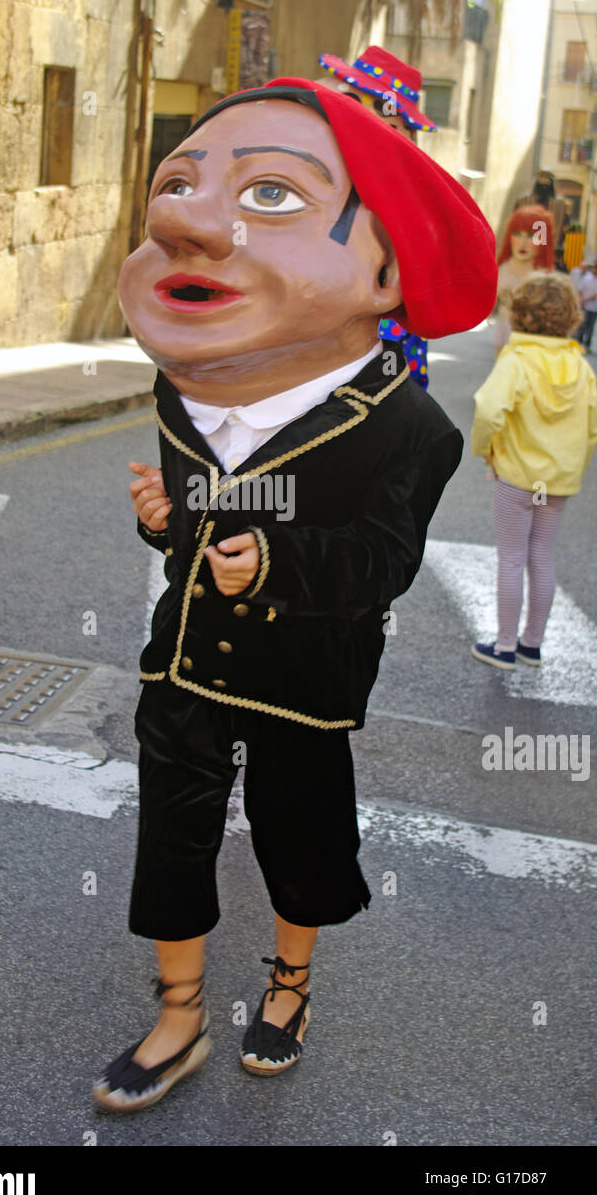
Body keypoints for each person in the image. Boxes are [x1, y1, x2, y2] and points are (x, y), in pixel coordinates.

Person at [92, 76, 497, 1113]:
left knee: (299, 836)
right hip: (181, 655)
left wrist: (269, 566)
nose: (181, 215)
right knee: (170, 838)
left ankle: (287, 987)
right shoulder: (183, 385)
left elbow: (380, 560)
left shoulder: (409, 428)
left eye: (271, 194)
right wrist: (166, 522)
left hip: (303, 678)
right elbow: (202, 515)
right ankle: (177, 1014)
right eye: (177, 184)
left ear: (384, 267)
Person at [470, 271, 597, 670]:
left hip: (518, 476)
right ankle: (532, 645)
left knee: (511, 558)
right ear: (571, 316)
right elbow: (591, 426)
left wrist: (485, 449)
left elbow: (489, 410)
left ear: (519, 313)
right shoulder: (581, 367)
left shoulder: (517, 360)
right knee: (542, 556)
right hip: (556, 482)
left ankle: (504, 646)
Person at [318, 46, 435, 388]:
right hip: (317, 319)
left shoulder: (407, 192)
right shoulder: (322, 163)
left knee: (382, 406)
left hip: (380, 324)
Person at [493, 205, 554, 356]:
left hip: (535, 341)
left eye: (532, 235)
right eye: (518, 234)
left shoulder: (546, 276)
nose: (523, 242)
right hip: (504, 332)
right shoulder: (501, 269)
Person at [515, 170, 566, 261]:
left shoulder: (559, 205)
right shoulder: (524, 201)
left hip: (549, 245)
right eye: (541, 184)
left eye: (546, 185)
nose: (544, 187)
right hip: (526, 243)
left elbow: (563, 227)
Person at [576, 259, 597, 351]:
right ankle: (578, 342)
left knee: (590, 327)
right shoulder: (587, 278)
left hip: (594, 307)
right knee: (582, 324)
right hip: (585, 305)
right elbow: (580, 289)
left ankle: (587, 344)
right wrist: (582, 299)